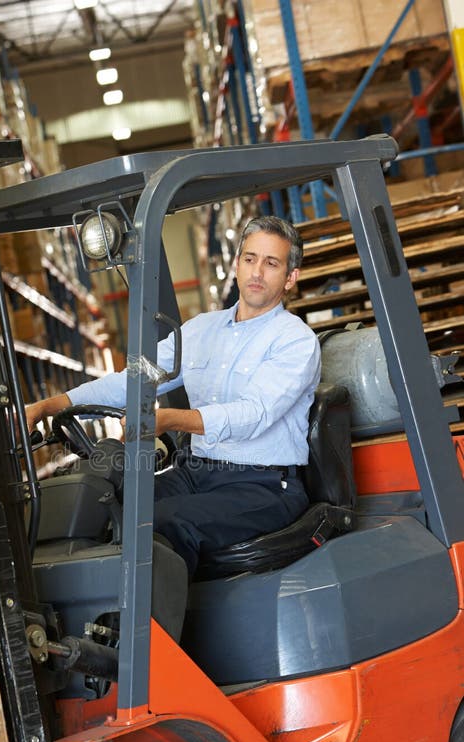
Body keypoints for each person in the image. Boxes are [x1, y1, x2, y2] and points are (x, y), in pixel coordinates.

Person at [26, 215, 321, 578]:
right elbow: (134, 381)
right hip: (198, 473)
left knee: (160, 523)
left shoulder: (295, 340)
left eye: (271, 263)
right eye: (249, 258)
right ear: (237, 263)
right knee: (107, 504)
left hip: (264, 486)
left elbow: (253, 415)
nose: (257, 271)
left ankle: (150, 633)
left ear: (290, 277)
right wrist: (49, 406)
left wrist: (169, 420)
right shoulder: (199, 331)